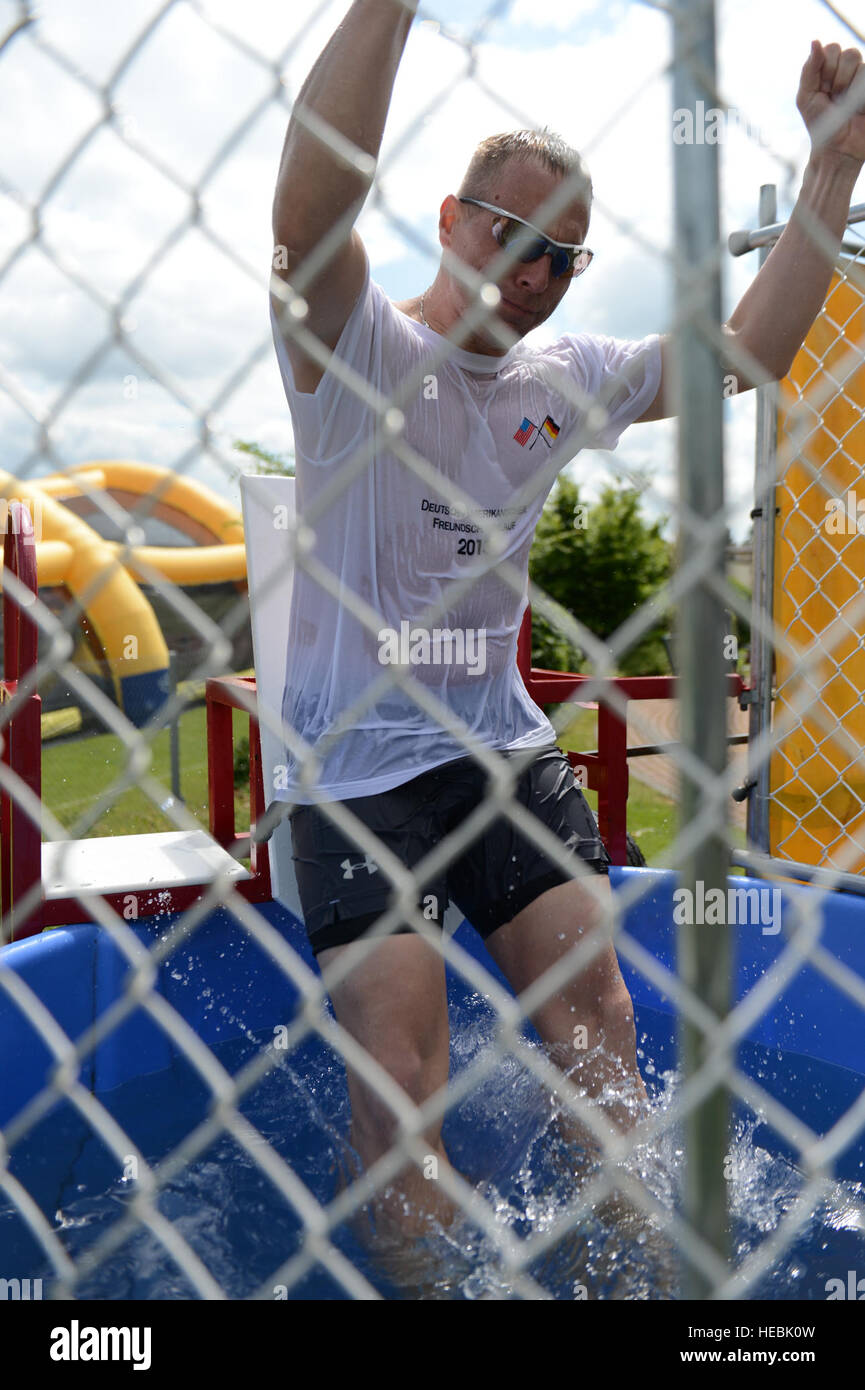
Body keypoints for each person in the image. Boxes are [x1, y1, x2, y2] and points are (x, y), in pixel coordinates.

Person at [268, 0, 865, 1246]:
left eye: (563, 255)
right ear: (450, 221)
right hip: (355, 775)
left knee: (601, 1031)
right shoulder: (356, 353)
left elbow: (745, 356)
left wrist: (834, 159)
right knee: (400, 1094)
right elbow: (308, 222)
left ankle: (640, 1277)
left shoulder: (565, 377)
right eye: (516, 236)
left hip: (500, 751)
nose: (534, 272)